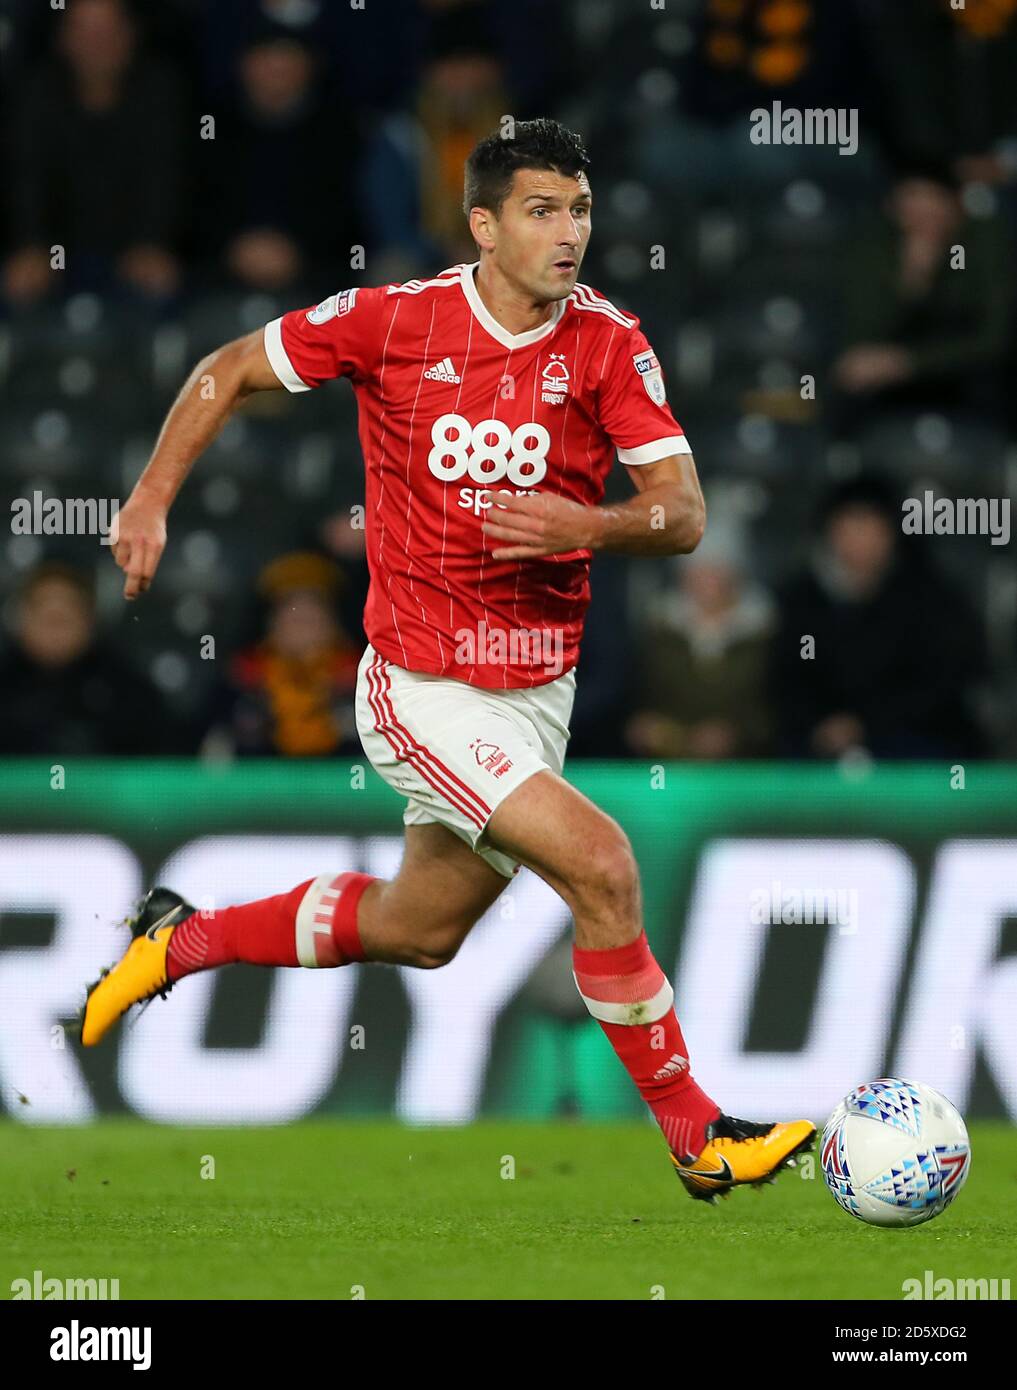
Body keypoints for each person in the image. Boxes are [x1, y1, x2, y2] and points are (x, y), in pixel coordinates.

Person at [81, 118, 814, 1202]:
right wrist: (148, 499)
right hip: (421, 681)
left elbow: (684, 513)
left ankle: (184, 939)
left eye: (581, 211)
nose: (569, 235)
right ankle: (699, 1136)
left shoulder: (610, 344)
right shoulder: (397, 322)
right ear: (483, 223)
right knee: (604, 867)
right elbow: (227, 368)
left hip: (534, 688)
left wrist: (588, 525)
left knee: (423, 930)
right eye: (541, 211)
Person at [0, 561, 181, 755]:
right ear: (20, 618)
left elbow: (163, 760)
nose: (55, 627)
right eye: (44, 614)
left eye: (66, 616)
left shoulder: (127, 692)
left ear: (89, 620)